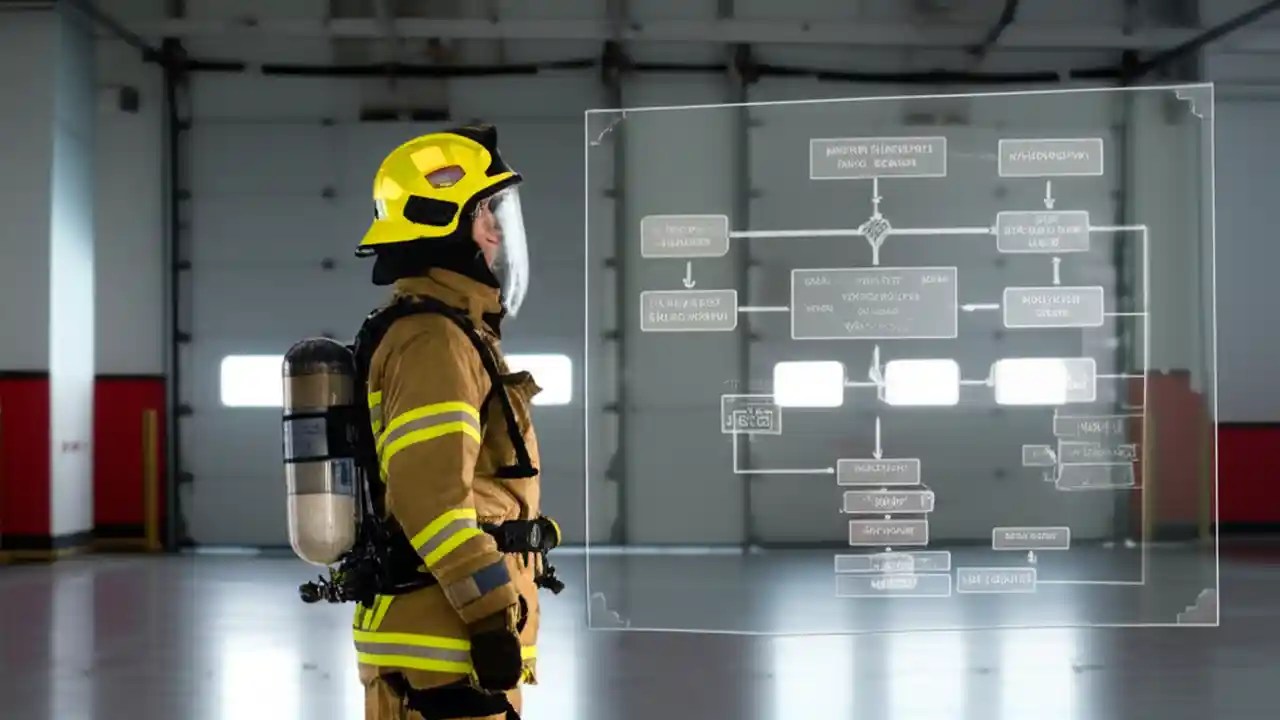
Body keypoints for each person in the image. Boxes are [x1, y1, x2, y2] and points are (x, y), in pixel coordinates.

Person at [351, 124, 557, 720]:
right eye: (484, 214)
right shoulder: (435, 341)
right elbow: (430, 502)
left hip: (444, 638)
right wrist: (492, 614)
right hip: (447, 643)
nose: (497, 231)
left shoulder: (450, 332)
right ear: (439, 223)